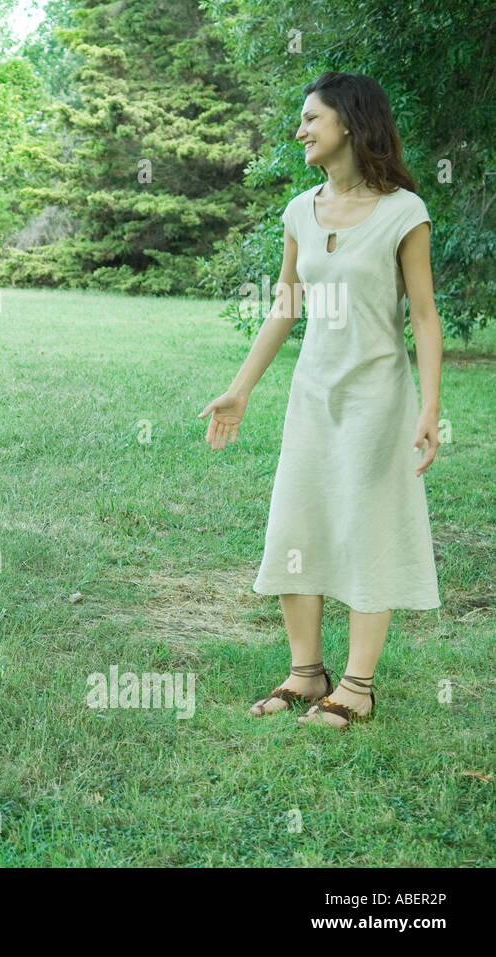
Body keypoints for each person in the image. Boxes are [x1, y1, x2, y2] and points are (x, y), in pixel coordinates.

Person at [199, 71, 443, 728]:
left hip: (377, 394)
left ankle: (357, 687)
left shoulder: (402, 212)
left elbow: (423, 315)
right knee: (298, 521)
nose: (300, 129)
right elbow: (285, 304)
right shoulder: (300, 211)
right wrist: (240, 388)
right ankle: (306, 672)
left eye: (311, 118)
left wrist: (428, 407)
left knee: (367, 527)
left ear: (350, 124)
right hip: (313, 392)